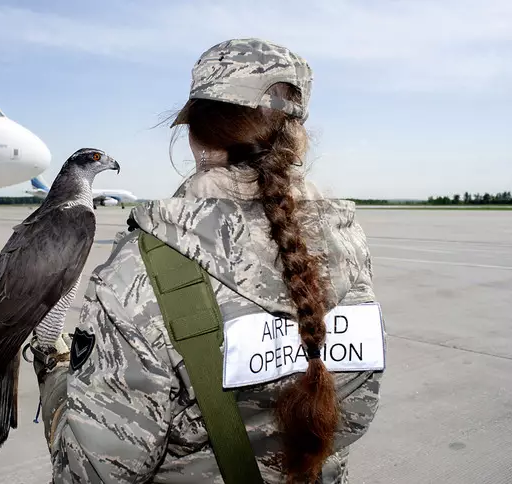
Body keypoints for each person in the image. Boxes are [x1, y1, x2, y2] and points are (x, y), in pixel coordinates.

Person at [32, 38, 384, 483]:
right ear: (297, 134)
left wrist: (57, 379)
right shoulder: (347, 247)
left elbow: (95, 472)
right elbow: (353, 412)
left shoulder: (142, 269)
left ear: (200, 136)